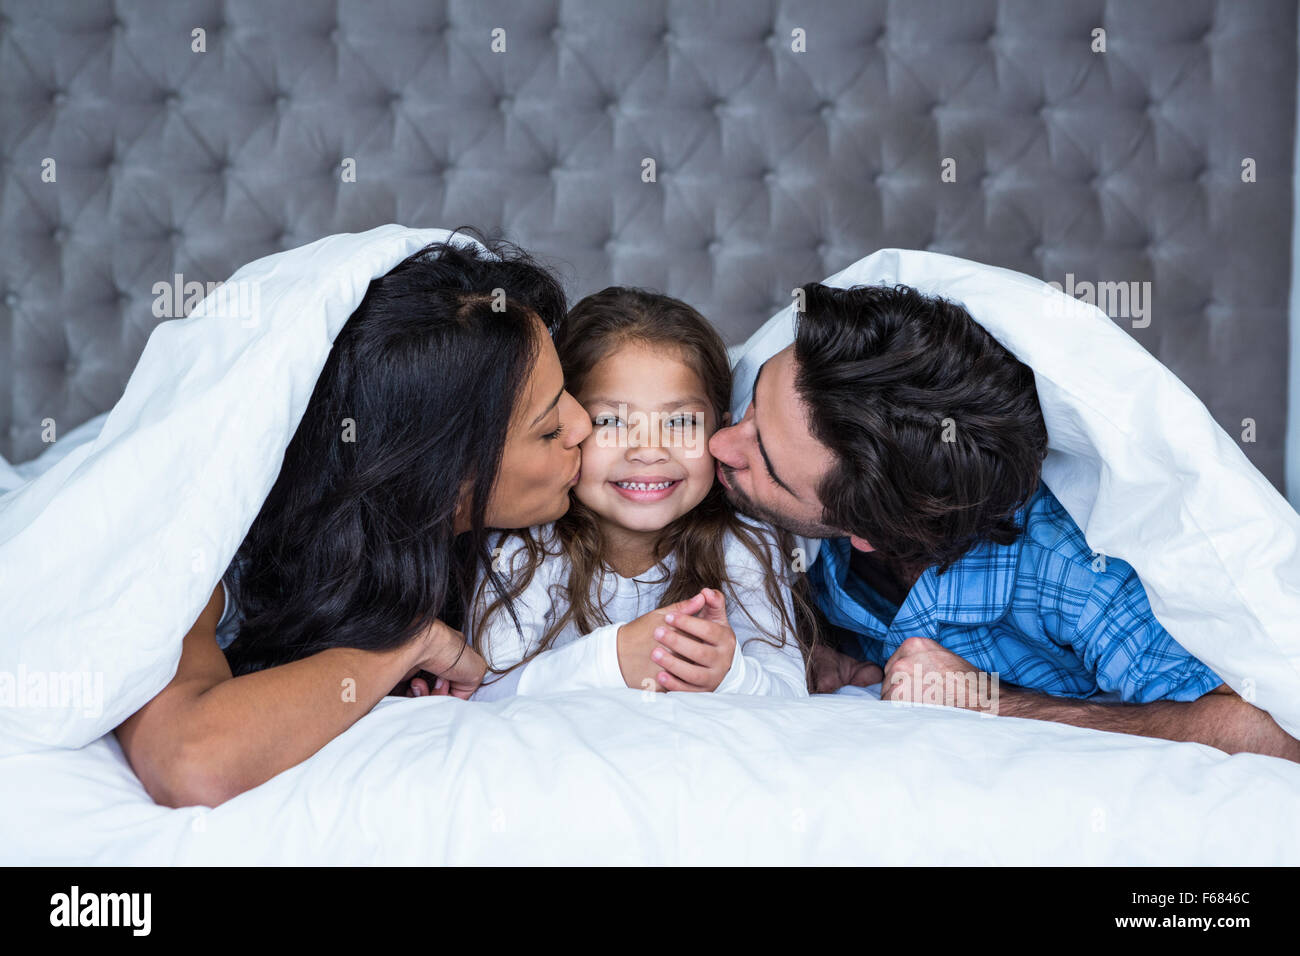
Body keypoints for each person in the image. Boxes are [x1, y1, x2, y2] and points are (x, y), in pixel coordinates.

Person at [708, 281, 1300, 761]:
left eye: (763, 459)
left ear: (867, 532)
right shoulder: (781, 516)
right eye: (754, 404)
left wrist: (994, 703)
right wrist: (809, 647)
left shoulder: (1077, 575)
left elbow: (1274, 733)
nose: (719, 445)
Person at [113, 231, 594, 808]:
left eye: (567, 390)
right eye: (548, 428)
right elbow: (189, 762)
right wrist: (403, 647)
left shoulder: (537, 522)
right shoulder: (211, 552)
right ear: (439, 480)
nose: (584, 423)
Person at [467, 287, 812, 700]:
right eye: (611, 420)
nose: (649, 450)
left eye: (681, 421)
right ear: (567, 424)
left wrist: (732, 675)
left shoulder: (745, 544)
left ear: (719, 430)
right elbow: (486, 690)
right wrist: (613, 658)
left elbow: (790, 693)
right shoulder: (523, 546)